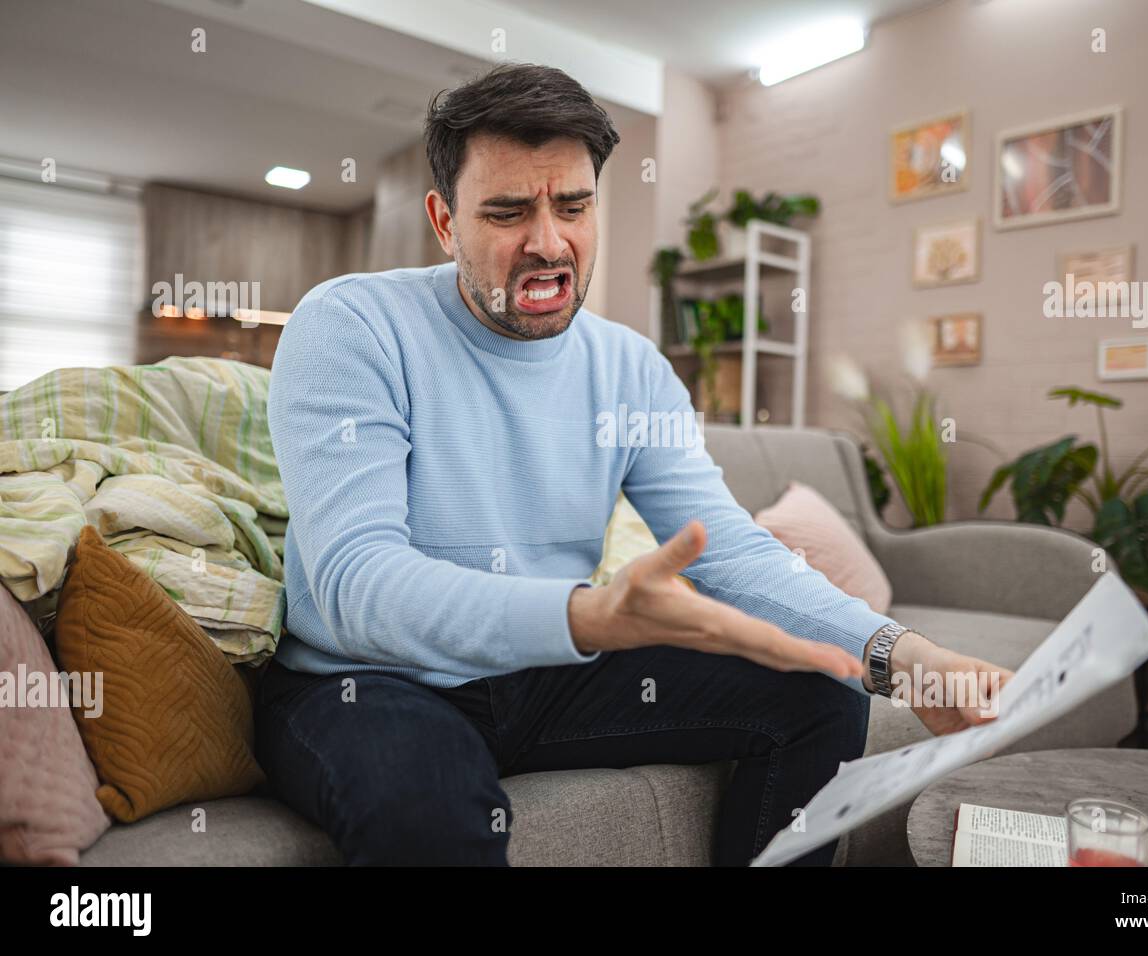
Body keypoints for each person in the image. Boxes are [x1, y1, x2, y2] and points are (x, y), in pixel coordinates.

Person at [256, 61, 1014, 866]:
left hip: (547, 667)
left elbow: (727, 546)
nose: (548, 244)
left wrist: (898, 653)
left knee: (821, 688)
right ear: (445, 222)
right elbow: (354, 582)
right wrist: (584, 615)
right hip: (371, 682)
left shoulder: (631, 367)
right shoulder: (352, 326)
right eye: (508, 211)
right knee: (428, 810)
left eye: (574, 207)